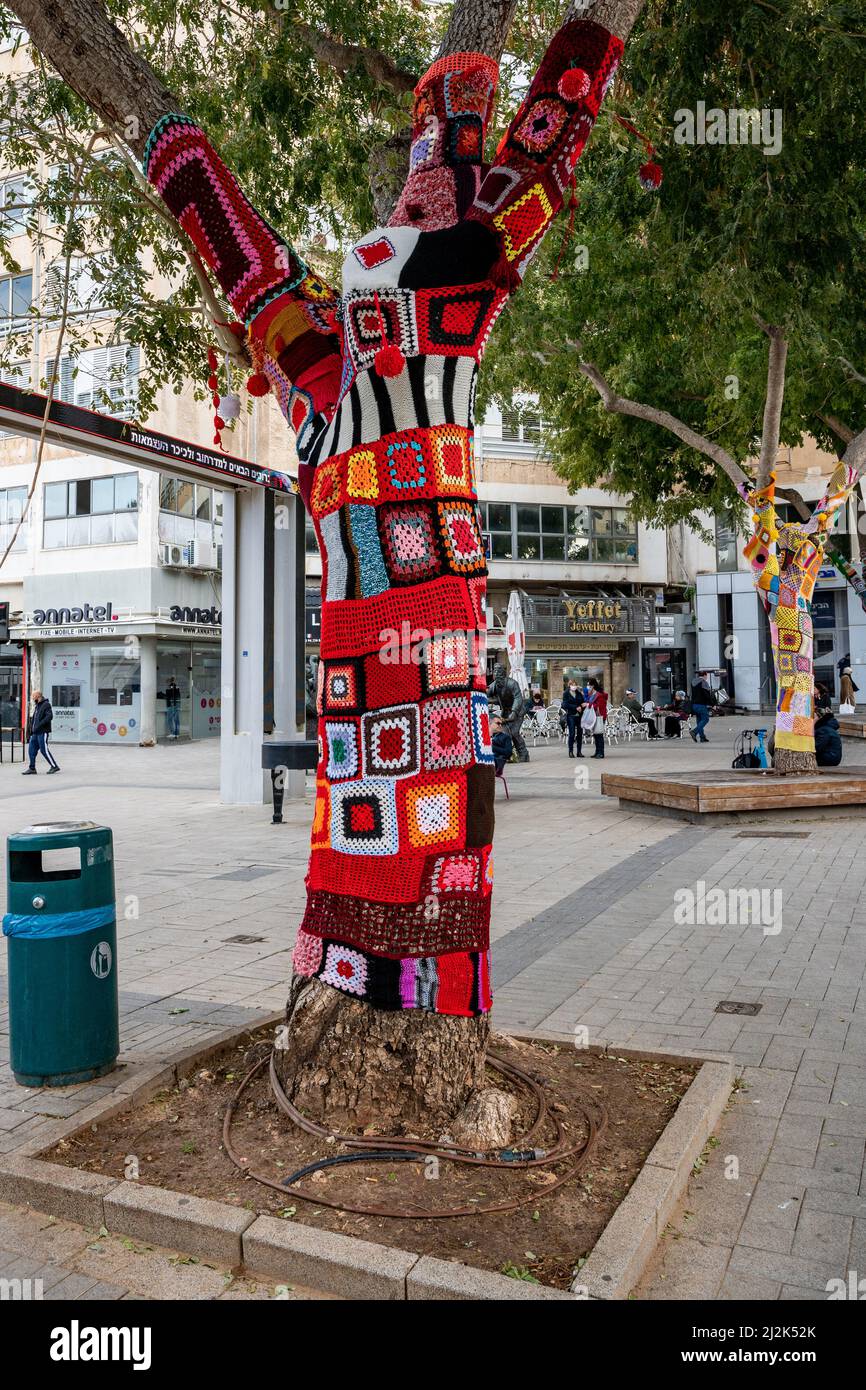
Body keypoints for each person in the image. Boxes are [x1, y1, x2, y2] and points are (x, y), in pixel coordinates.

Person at [488, 662, 529, 763]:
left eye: (499, 671)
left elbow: (518, 698)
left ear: (503, 673)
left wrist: (514, 713)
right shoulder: (494, 686)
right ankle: (507, 754)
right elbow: (487, 695)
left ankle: (524, 754)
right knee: (504, 733)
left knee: (514, 733)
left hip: (518, 712)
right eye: (495, 671)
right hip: (505, 712)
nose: (496, 673)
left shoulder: (512, 683)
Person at [22, 690, 60, 775]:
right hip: (35, 733)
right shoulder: (37, 706)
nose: (32, 697)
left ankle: (54, 766)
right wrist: (31, 729)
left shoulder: (46, 704)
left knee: (44, 750)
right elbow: (35, 719)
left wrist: (39, 725)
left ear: (38, 696)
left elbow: (49, 716)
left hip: (42, 732)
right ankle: (32, 768)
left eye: (33, 696)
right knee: (31, 749)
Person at [585, 676, 609, 759]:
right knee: (595, 735)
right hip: (594, 716)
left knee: (599, 735)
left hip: (599, 717)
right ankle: (597, 751)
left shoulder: (600, 695)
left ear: (593, 686)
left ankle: (601, 753)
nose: (588, 687)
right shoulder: (593, 694)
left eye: (589, 685)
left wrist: (588, 705)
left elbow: (599, 706)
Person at [561, 678, 584, 757]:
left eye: (575, 685)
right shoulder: (566, 693)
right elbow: (564, 705)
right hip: (571, 716)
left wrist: (581, 706)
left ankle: (579, 752)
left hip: (579, 716)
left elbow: (582, 702)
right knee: (572, 734)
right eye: (572, 685)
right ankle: (571, 751)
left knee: (580, 733)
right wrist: (575, 707)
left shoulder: (578, 693)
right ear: (569, 685)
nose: (574, 686)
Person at [690, 671, 713, 743]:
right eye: (706, 676)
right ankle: (694, 731)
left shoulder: (693, 682)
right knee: (705, 719)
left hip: (694, 705)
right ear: (705, 675)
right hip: (701, 705)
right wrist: (712, 704)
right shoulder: (703, 682)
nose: (706, 678)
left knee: (699, 721)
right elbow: (707, 695)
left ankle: (702, 737)